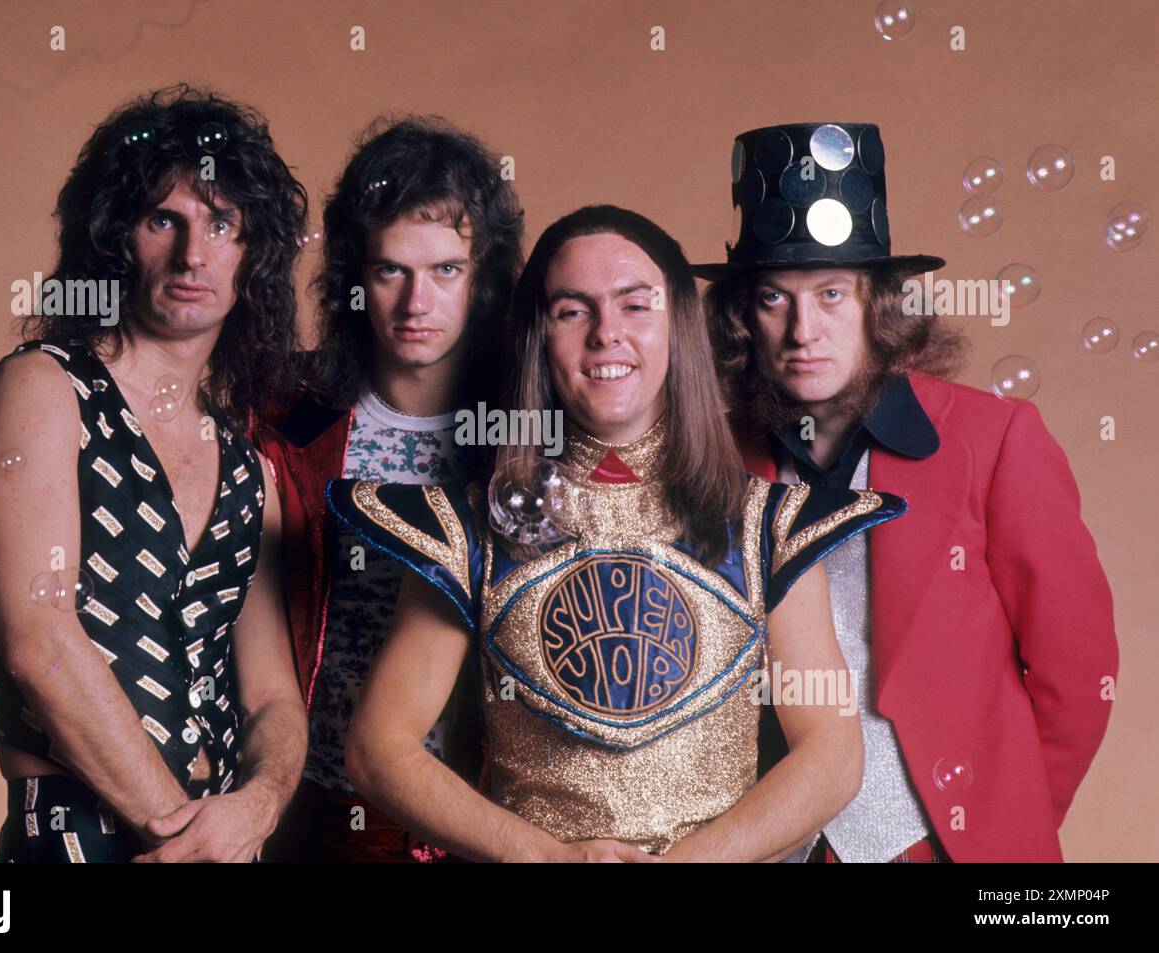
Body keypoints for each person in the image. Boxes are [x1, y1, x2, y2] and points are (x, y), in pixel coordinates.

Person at [331, 205, 906, 861]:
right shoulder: (470, 527)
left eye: (636, 306)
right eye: (573, 311)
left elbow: (831, 755)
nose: (607, 333)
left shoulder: (769, 524)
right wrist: (548, 858)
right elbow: (379, 747)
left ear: (679, 328)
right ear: (536, 337)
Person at [697, 122, 1119, 862]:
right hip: (768, 844)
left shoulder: (995, 438)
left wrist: (1002, 827)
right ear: (742, 317)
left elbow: (1078, 677)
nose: (804, 330)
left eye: (832, 294)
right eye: (774, 298)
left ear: (881, 305)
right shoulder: (712, 456)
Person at [0, 85, 307, 862]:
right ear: (117, 237)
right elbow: (40, 645)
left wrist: (256, 805)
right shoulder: (43, 390)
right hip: (79, 835)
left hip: (219, 840)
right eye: (165, 220)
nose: (194, 254)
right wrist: (187, 833)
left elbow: (272, 696)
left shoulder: (251, 468)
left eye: (222, 225)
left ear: (254, 255)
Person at [253, 116, 524, 861]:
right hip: (312, 811)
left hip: (484, 818)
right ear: (354, 278)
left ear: (486, 277)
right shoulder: (286, 421)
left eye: (446, 270)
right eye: (389, 270)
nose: (416, 303)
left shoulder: (527, 431)